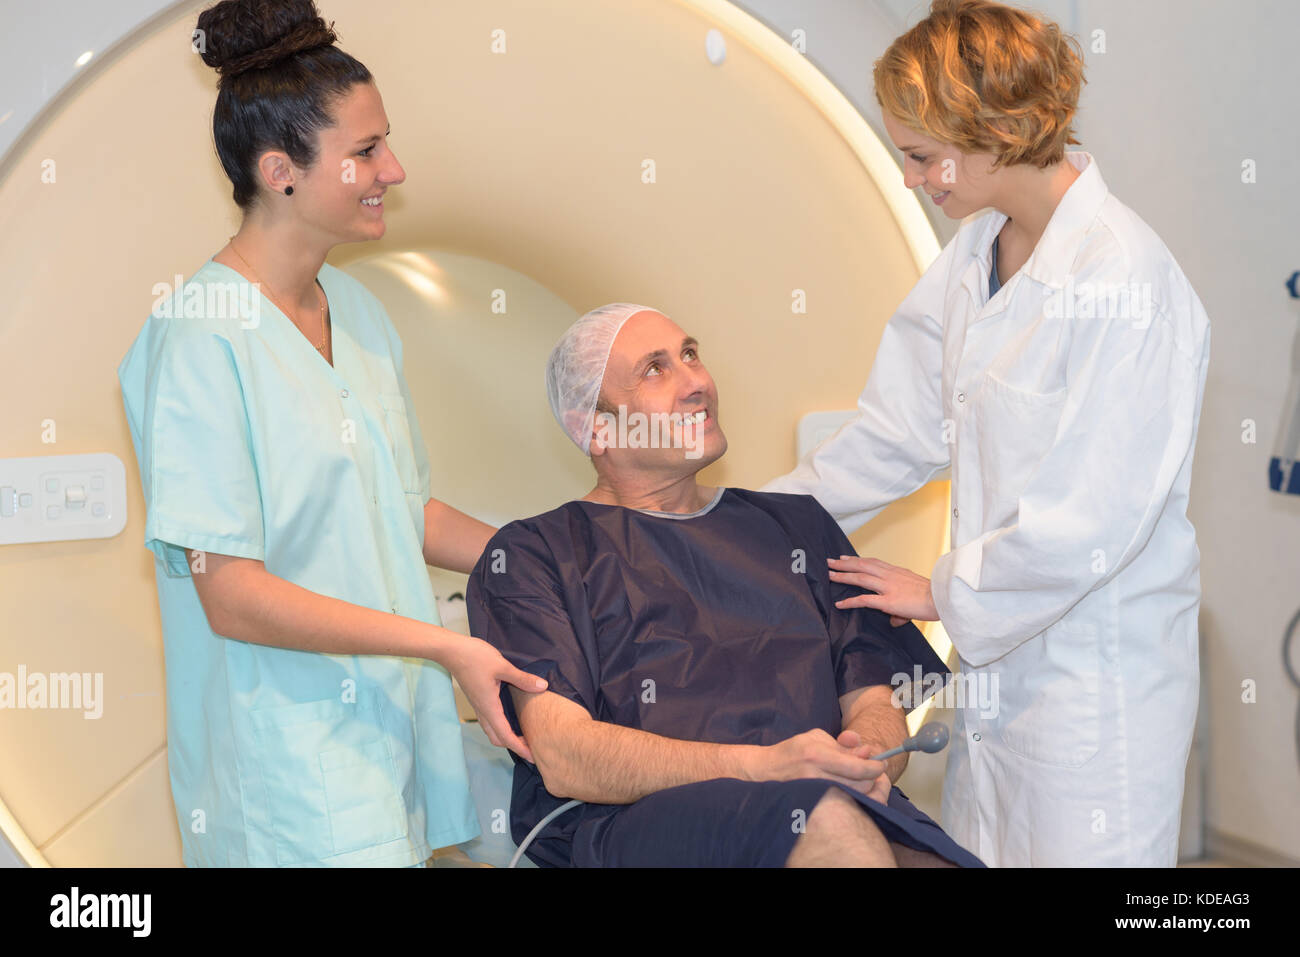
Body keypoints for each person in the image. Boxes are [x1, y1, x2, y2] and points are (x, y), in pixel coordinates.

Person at [763, 0, 1211, 866]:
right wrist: (743, 517)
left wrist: (939, 590)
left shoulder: (1127, 283)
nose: (909, 179)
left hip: (1094, 689)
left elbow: (1090, 521)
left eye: (923, 156)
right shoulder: (976, 254)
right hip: (1003, 682)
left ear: (998, 132)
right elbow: (892, 435)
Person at [116, 0, 544, 867]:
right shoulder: (199, 339)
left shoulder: (356, 310)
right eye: (365, 152)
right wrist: (443, 641)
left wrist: (555, 552)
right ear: (280, 170)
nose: (395, 167)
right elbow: (229, 590)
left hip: (385, 726)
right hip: (283, 763)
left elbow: (402, 509)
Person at [465, 304, 986, 868]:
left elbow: (871, 695)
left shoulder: (796, 527)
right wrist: (763, 767)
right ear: (596, 427)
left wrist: (870, 757)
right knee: (827, 825)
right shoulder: (536, 554)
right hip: (643, 820)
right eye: (656, 370)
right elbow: (566, 755)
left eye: (691, 354)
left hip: (830, 799)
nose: (697, 382)